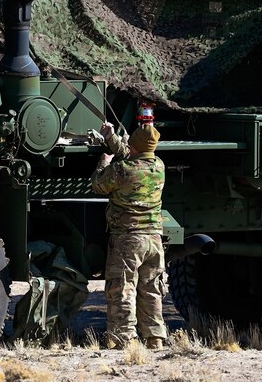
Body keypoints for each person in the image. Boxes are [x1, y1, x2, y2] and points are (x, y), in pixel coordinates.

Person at [90, 120, 167, 350]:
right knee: (151, 288)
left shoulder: (121, 170)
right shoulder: (158, 166)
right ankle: (155, 338)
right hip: (154, 239)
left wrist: (103, 163)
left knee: (123, 288)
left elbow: (98, 184)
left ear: (135, 146)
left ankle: (124, 339)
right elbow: (132, 154)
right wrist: (113, 138)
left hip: (128, 239)